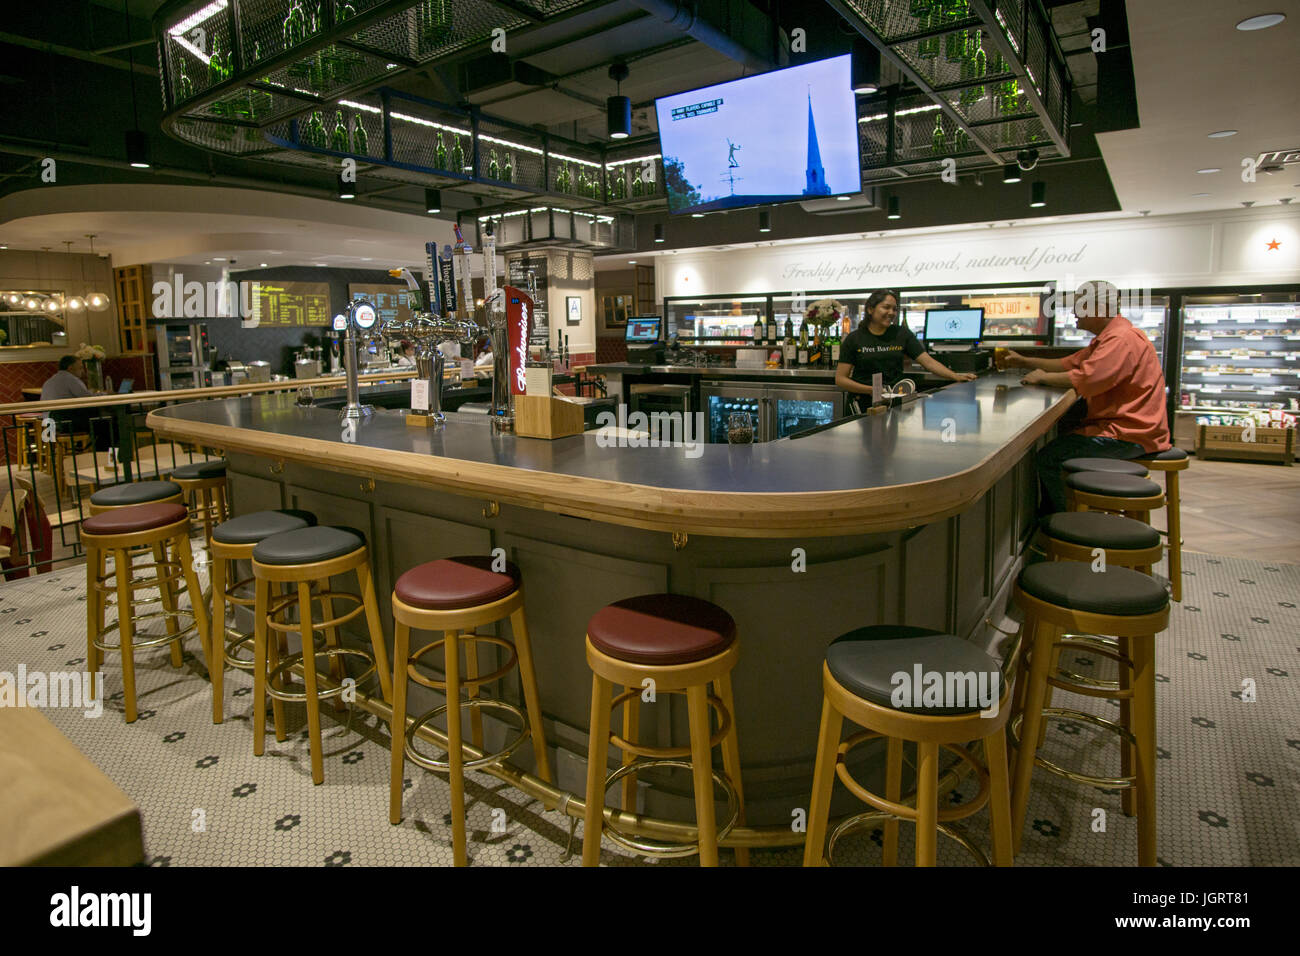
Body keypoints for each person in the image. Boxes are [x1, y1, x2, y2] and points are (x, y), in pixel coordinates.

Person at [1003, 279, 1170, 513]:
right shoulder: (1114, 335)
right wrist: (1024, 361)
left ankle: (1064, 520)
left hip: (1129, 435)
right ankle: (1079, 510)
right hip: (1136, 429)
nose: (1073, 312)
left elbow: (1087, 378)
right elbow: (1067, 364)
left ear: (1100, 309)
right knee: (1063, 441)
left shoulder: (1119, 339)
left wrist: (1041, 378)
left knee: (1050, 456)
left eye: (1080, 306)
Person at [836, 290, 976, 412]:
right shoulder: (854, 338)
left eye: (894, 309)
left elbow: (928, 362)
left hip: (895, 403)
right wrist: (872, 390)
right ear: (870, 309)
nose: (891, 313)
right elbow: (841, 379)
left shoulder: (901, 334)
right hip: (862, 405)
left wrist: (956, 376)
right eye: (886, 307)